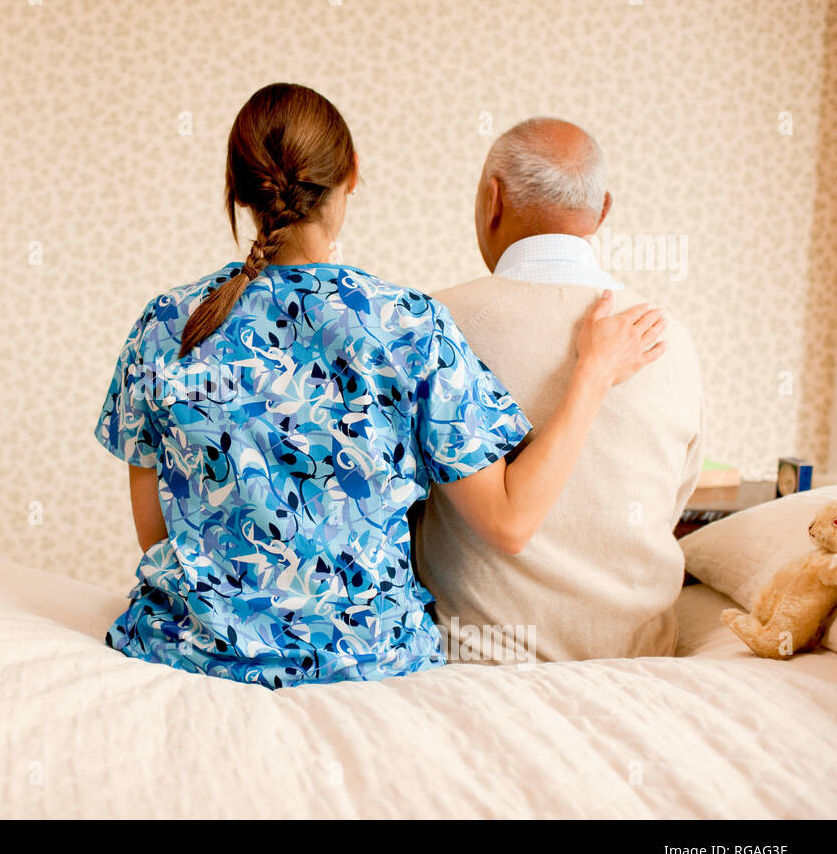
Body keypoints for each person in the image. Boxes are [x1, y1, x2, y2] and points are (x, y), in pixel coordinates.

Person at [93, 85, 665, 689]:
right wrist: (594, 373)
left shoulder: (166, 324)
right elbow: (509, 521)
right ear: (353, 176)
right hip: (368, 662)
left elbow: (158, 533)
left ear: (237, 189)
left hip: (191, 657)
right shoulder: (405, 323)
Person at [417, 117, 703, 663]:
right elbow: (674, 501)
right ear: (602, 210)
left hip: (480, 663)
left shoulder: (432, 324)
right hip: (640, 661)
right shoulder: (668, 337)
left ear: (491, 199)